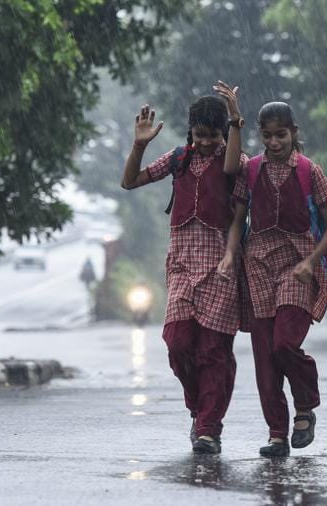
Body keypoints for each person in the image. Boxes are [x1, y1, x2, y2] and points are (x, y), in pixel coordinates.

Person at [120, 85, 247, 455]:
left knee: (214, 350)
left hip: (221, 263)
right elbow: (130, 182)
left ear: (224, 134)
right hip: (181, 263)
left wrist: (235, 119)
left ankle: (209, 426)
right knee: (177, 343)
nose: (206, 142)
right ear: (190, 131)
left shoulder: (234, 159)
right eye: (200, 135)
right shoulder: (179, 158)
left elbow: (231, 164)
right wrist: (139, 145)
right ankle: (198, 408)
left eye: (214, 136)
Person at [221, 101, 327, 457]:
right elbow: (238, 220)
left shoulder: (310, 171)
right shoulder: (252, 170)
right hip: (257, 264)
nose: (274, 142)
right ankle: (277, 433)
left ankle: (305, 406)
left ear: (294, 133)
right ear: (261, 135)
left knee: (284, 345)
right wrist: (230, 253)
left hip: (298, 264)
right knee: (264, 357)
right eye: (268, 136)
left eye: (281, 135)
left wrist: (311, 261)